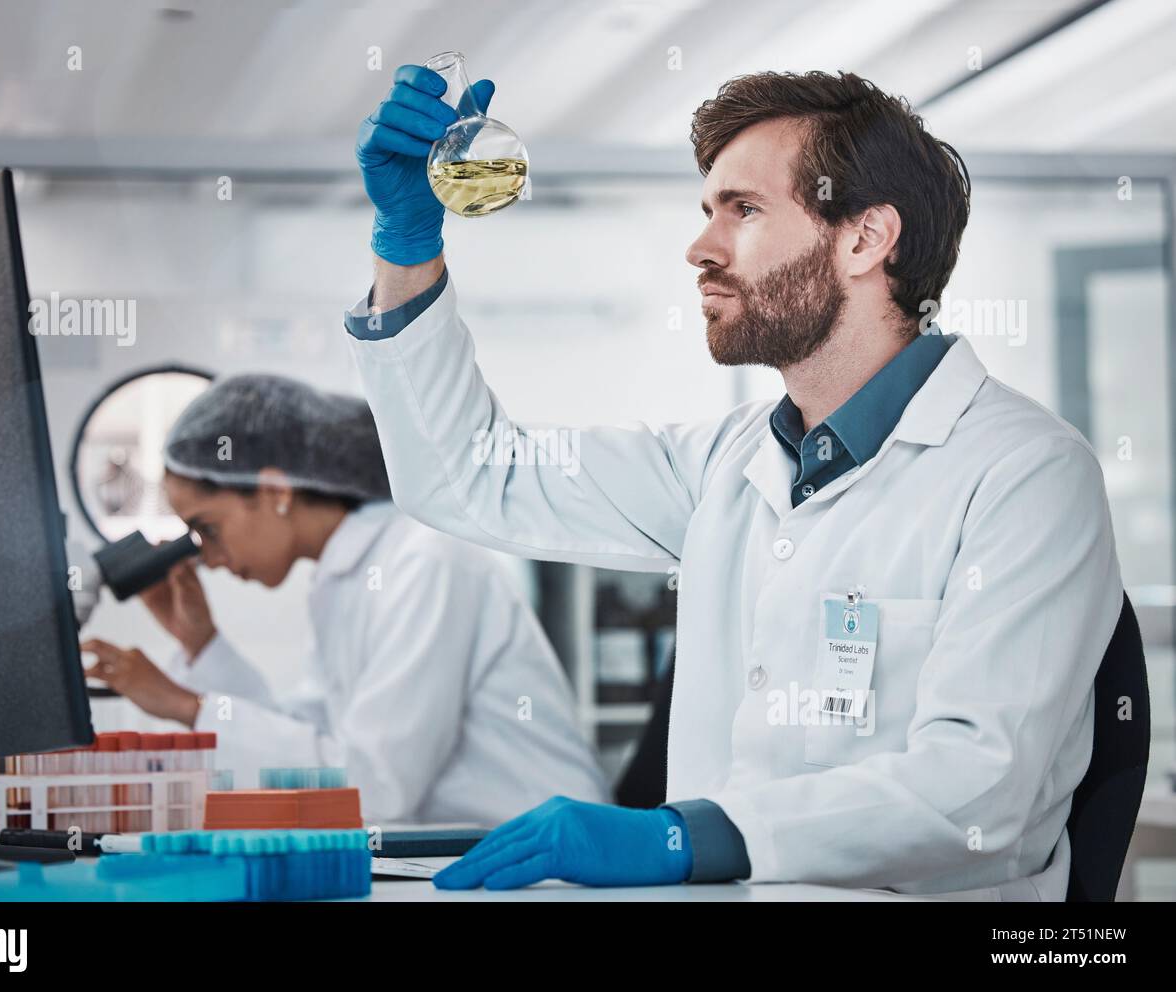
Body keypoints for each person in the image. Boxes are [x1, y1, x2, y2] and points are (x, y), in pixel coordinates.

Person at [345, 68, 1123, 897]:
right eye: (707, 211)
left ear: (865, 240)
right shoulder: (726, 463)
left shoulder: (1026, 473)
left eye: (744, 210)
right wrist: (407, 244)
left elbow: (976, 786)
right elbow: (467, 476)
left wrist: (686, 838)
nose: (702, 248)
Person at [81, 373, 608, 826]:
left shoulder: (426, 561)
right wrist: (200, 645)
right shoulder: (345, 577)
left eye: (208, 529)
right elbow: (315, 742)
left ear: (275, 491)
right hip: (458, 847)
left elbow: (377, 786)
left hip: (547, 861)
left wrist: (184, 705)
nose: (208, 559)